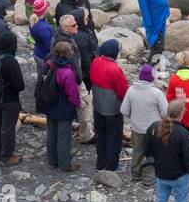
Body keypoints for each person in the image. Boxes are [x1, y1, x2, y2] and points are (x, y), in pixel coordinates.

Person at [148, 99, 189, 202]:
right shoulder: (183, 133)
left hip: (161, 174)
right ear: (181, 114)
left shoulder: (154, 127)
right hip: (179, 176)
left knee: (162, 200)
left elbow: (147, 150)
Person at [121, 63, 167, 183]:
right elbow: (165, 112)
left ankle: (136, 174)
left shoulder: (131, 90)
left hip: (137, 128)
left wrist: (133, 118)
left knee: (137, 151)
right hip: (154, 129)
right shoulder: (156, 93)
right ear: (152, 78)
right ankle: (148, 177)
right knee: (153, 153)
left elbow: (123, 110)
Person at [90, 39, 129, 172]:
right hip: (112, 109)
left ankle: (101, 163)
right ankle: (112, 166)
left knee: (101, 136)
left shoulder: (95, 61)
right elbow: (123, 91)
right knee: (114, 138)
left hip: (98, 106)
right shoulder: (114, 69)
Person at [42, 40, 81, 172]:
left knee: (51, 133)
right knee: (64, 136)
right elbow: (72, 93)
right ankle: (65, 164)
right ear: (68, 53)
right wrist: (77, 105)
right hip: (63, 107)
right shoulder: (66, 71)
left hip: (49, 103)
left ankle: (52, 161)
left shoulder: (49, 64)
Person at [0, 31, 25, 166]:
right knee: (7, 128)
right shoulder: (10, 61)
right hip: (9, 100)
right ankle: (6, 156)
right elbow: (20, 85)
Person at [58, 13, 96, 144]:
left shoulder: (61, 38)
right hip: (74, 79)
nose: (77, 26)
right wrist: (80, 78)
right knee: (85, 105)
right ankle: (87, 135)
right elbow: (75, 62)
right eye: (73, 25)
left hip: (68, 78)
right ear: (65, 27)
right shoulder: (66, 43)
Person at [29, 0, 53, 70]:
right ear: (44, 11)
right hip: (44, 57)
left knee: (40, 72)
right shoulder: (44, 28)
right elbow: (49, 47)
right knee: (46, 76)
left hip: (37, 52)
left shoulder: (33, 21)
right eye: (47, 7)